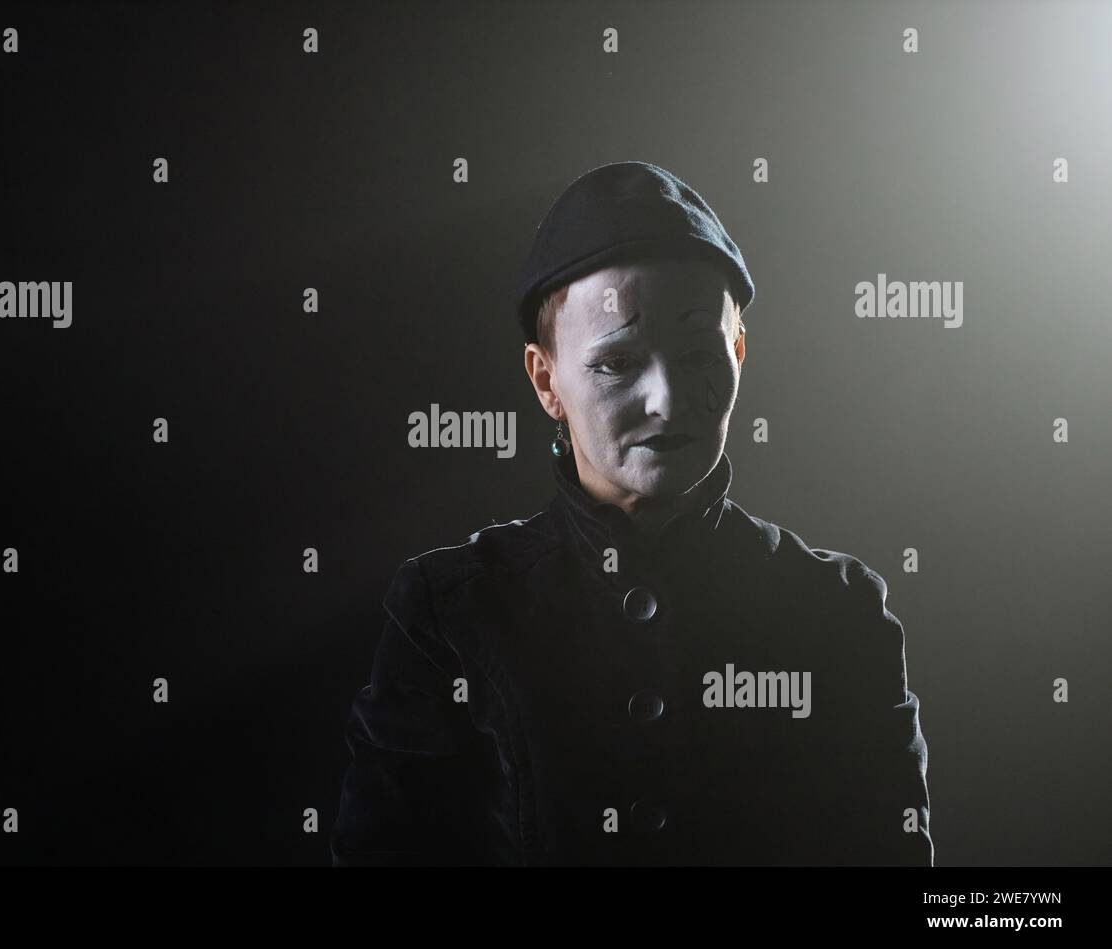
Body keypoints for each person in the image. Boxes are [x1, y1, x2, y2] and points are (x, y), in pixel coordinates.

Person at [330, 161, 933, 866]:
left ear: (739, 353)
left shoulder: (840, 611)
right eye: (617, 364)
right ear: (544, 378)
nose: (669, 403)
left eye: (701, 354)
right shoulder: (447, 609)